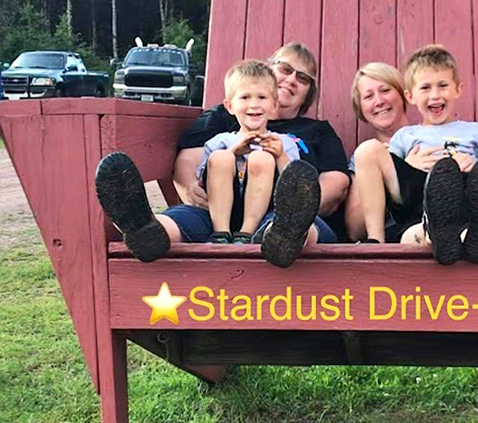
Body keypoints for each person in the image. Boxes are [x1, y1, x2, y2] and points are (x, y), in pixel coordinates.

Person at [95, 42, 349, 267]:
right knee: (183, 218)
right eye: (285, 69)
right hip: (215, 211)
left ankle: (284, 235)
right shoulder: (221, 119)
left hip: (278, 209)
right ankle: (144, 231)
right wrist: (190, 187)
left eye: (303, 78)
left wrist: (302, 200)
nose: (292, 79)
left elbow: (335, 183)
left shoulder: (317, 131)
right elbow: (190, 161)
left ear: (308, 92)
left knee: (300, 223)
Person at [352, 45, 478, 264]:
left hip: (470, 193)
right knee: (367, 150)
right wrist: (408, 164)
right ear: (410, 95)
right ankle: (376, 241)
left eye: (443, 85)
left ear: (458, 90)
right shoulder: (406, 136)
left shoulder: (476, 131)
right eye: (425, 88)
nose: (435, 95)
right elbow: (388, 181)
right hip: (422, 194)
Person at [198, 59, 301, 245]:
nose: (254, 105)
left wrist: (280, 156)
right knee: (221, 157)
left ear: (274, 105)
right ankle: (220, 233)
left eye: (262, 97)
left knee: (261, 158)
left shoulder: (285, 143)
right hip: (222, 211)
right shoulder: (219, 141)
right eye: (245, 97)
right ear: (230, 106)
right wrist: (233, 152)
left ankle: (247, 233)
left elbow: (296, 187)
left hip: (267, 210)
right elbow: (202, 183)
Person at [344, 62, 440, 242]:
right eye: (368, 96)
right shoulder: (365, 156)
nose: (379, 101)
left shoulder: (432, 136)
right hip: (396, 239)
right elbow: (355, 230)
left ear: (404, 95)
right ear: (361, 109)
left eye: (385, 90)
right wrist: (402, 174)